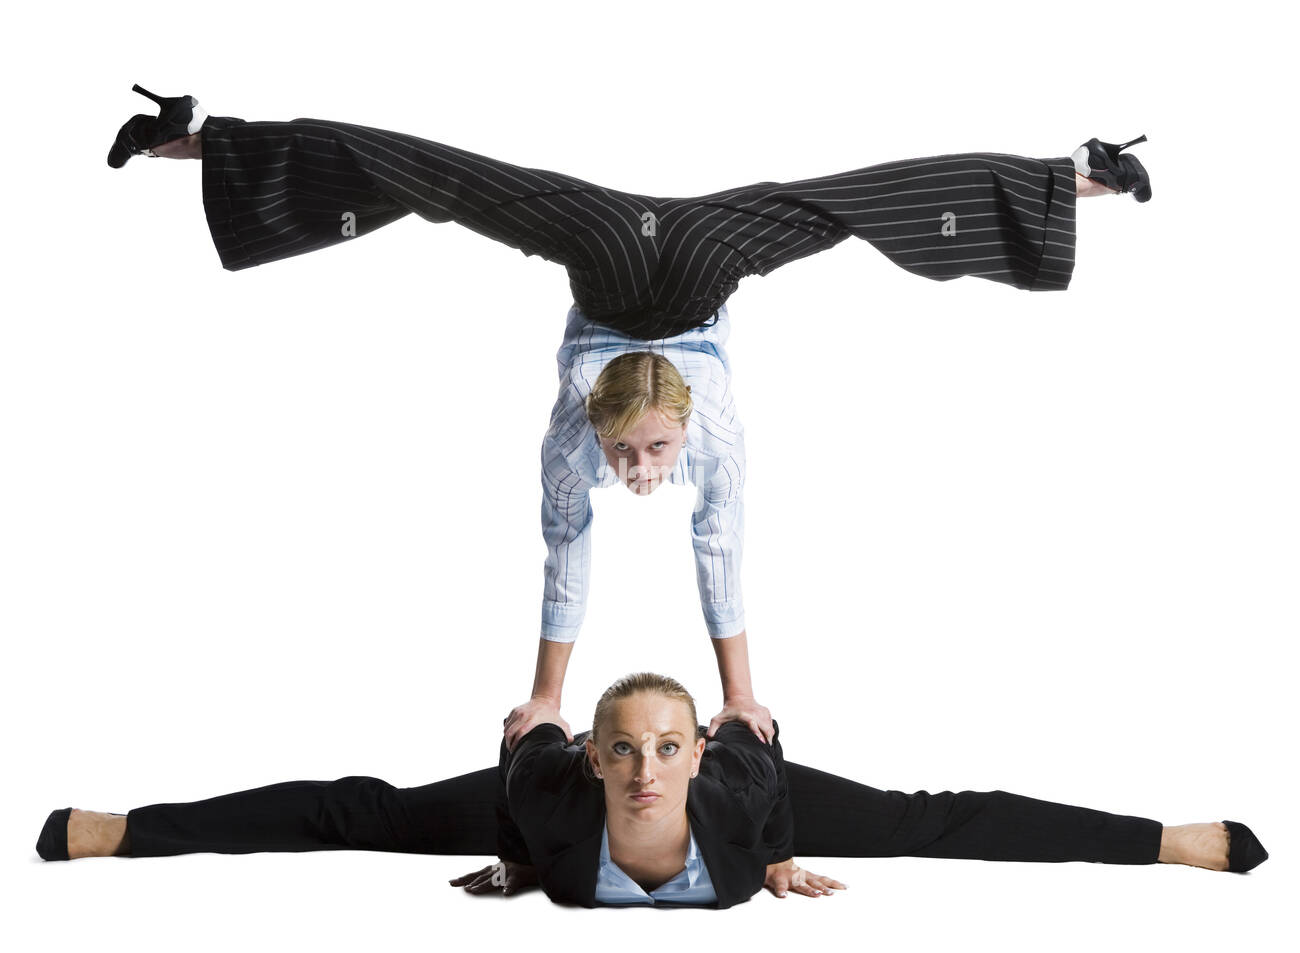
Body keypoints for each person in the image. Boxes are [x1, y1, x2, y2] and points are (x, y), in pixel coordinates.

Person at [106, 86, 1154, 749]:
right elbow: (678, 545)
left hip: (641, 246)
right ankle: (1087, 176)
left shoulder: (621, 438)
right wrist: (590, 699)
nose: (645, 467)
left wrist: (572, 699)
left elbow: (662, 546)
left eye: (649, 452)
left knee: (451, 182)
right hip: (670, 248)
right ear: (613, 425)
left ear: (670, 423)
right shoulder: (643, 436)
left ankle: (192, 138)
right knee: (840, 201)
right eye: (638, 452)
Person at [35, 672, 1266, 908]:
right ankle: (123, 830)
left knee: (922, 822)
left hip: (751, 777)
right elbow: (535, 760)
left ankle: (1173, 838)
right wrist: (525, 830)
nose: (638, 770)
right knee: (359, 813)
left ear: (687, 757)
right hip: (536, 790)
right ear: (596, 760)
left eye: (657, 750)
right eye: (620, 751)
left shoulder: (730, 794)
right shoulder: (563, 791)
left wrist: (772, 837)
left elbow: (754, 770)